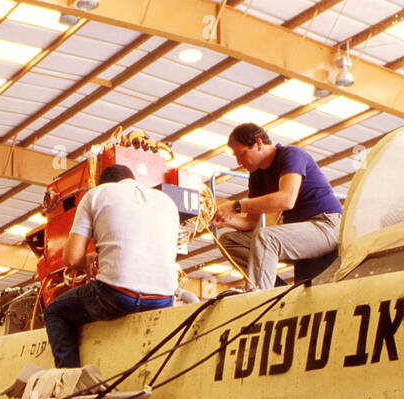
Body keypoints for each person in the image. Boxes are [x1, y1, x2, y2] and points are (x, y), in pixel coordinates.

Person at [43, 163, 181, 368]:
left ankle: (70, 381)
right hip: (164, 299)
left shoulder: (96, 194)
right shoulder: (167, 201)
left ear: (104, 183)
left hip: (116, 295)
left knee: (54, 311)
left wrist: (85, 260)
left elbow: (71, 259)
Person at [212, 123, 342, 289]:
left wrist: (237, 206)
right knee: (228, 240)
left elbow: (287, 199)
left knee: (266, 238)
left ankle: (259, 297)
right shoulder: (256, 176)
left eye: (241, 154)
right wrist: (225, 219)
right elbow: (251, 224)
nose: (239, 161)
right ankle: (278, 290)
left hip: (327, 226)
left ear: (259, 144)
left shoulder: (291, 155)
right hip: (302, 231)